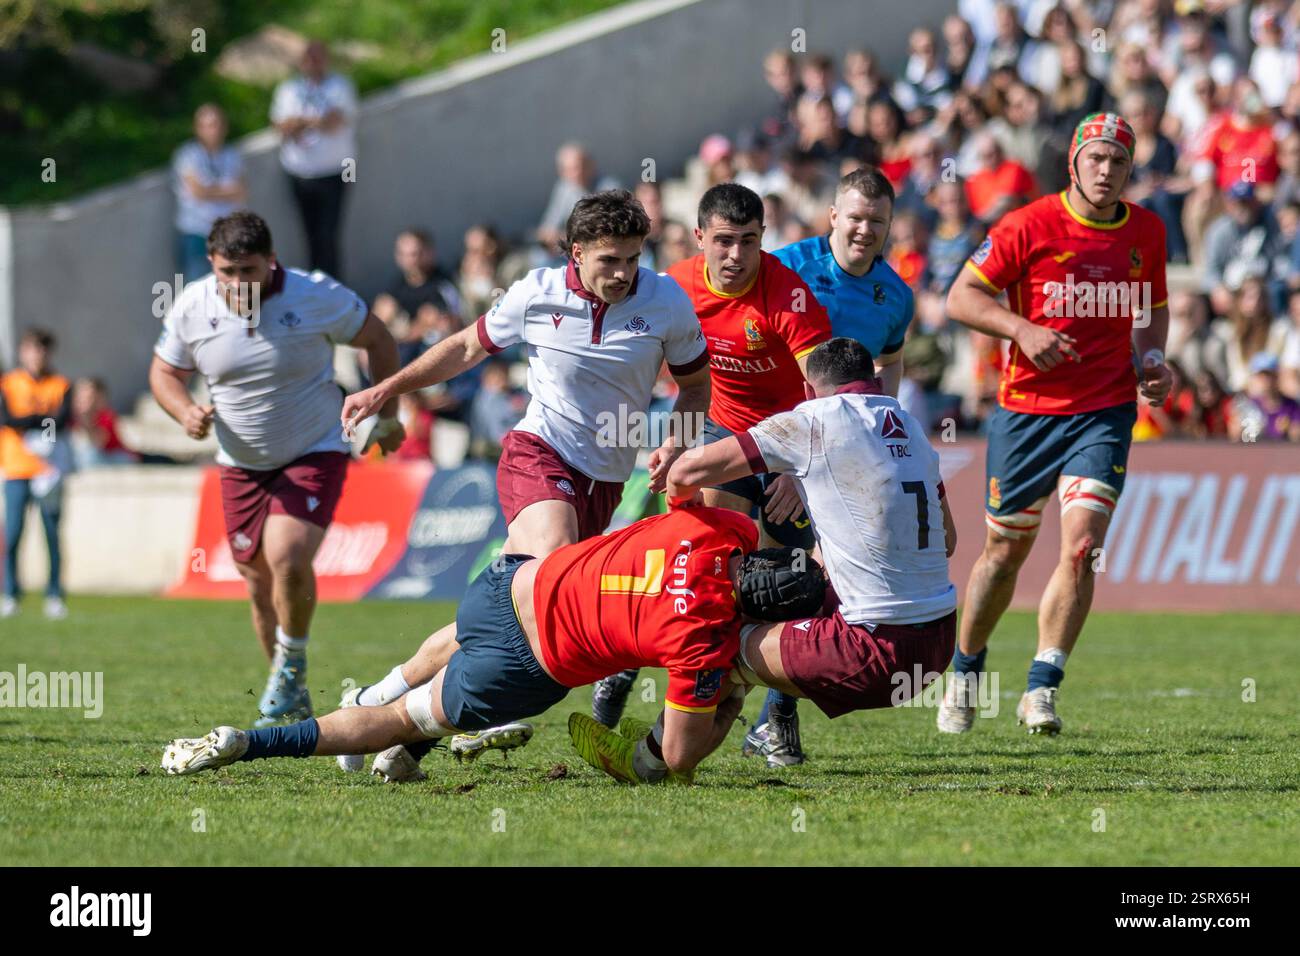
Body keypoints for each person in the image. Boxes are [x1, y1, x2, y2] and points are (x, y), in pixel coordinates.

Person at [336, 189, 710, 777]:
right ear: (576, 252)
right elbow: (464, 347)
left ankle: (382, 708)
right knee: (548, 582)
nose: (623, 273)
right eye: (609, 259)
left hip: (605, 480)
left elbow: (694, 386)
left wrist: (676, 442)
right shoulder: (537, 292)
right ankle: (466, 715)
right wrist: (388, 389)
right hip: (540, 453)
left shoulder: (665, 301)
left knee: (503, 616)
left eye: (633, 259)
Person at [160, 508, 827, 784]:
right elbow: (672, 758)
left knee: (448, 646)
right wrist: (740, 689)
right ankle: (252, 742)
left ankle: (378, 695)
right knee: (398, 726)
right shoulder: (705, 644)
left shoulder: (714, 525)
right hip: (524, 670)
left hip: (506, 586)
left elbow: (691, 474)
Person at [939, 112, 1171, 735]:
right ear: (1074, 162)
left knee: (1082, 546)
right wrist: (1022, 329)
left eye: (1117, 162)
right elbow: (960, 297)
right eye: (1095, 159)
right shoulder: (1028, 225)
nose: (1106, 171)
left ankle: (1041, 686)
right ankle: (965, 669)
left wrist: (1152, 359)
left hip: (1105, 410)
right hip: (1027, 415)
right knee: (1003, 553)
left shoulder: (1147, 230)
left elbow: (1151, 309)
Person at [590, 183, 831, 766]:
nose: (735, 255)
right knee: (709, 567)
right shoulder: (675, 288)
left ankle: (776, 721)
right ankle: (630, 662)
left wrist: (802, 468)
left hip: (786, 448)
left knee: (788, 585)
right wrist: (673, 441)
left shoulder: (789, 296)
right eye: (723, 241)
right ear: (700, 239)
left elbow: (828, 394)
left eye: (749, 241)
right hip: (719, 439)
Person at [149, 211, 404, 726]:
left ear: (272, 261)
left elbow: (378, 340)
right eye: (228, 272)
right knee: (255, 579)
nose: (239, 283)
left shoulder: (315, 295)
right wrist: (184, 411)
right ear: (211, 265)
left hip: (314, 449)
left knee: (286, 554)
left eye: (249, 271)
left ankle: (291, 665)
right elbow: (163, 372)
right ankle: (289, 687)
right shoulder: (192, 305)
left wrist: (389, 414)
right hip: (240, 464)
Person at [659, 337, 957, 769]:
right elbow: (947, 539)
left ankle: (655, 758)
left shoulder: (813, 419)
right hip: (938, 645)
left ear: (807, 391)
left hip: (873, 648)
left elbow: (688, 469)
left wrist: (679, 521)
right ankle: (770, 728)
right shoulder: (909, 424)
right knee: (789, 589)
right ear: (874, 381)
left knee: (716, 640)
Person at [775, 167, 912, 397]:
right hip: (774, 414)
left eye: (876, 220)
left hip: (844, 423)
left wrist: (880, 421)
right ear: (834, 217)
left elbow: (888, 363)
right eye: (855, 218)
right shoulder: (786, 266)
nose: (865, 230)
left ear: (890, 223)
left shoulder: (899, 295)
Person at [0, 329, 72, 620]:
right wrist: (39, 421)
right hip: (16, 468)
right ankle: (10, 592)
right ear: (23, 352)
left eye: (42, 350)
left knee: (51, 534)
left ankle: (54, 594)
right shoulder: (9, 384)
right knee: (14, 532)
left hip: (49, 471)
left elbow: (62, 421)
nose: (37, 356)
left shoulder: (60, 385)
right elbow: (7, 420)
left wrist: (30, 423)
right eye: (32, 349)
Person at [270, 40, 358, 278]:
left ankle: (334, 289)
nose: (313, 64)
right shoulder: (288, 90)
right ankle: (315, 291)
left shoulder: (339, 86)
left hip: (335, 172)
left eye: (317, 58)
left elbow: (334, 122)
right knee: (310, 237)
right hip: (299, 173)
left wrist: (301, 121)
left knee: (328, 236)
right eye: (308, 59)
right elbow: (282, 126)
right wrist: (312, 121)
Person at [171, 104, 245, 284]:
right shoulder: (187, 155)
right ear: (197, 128)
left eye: (217, 124)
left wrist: (210, 192)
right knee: (196, 290)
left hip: (228, 234)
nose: (213, 130)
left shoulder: (232, 155)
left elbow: (241, 192)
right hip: (197, 233)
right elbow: (198, 192)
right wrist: (226, 191)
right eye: (208, 125)